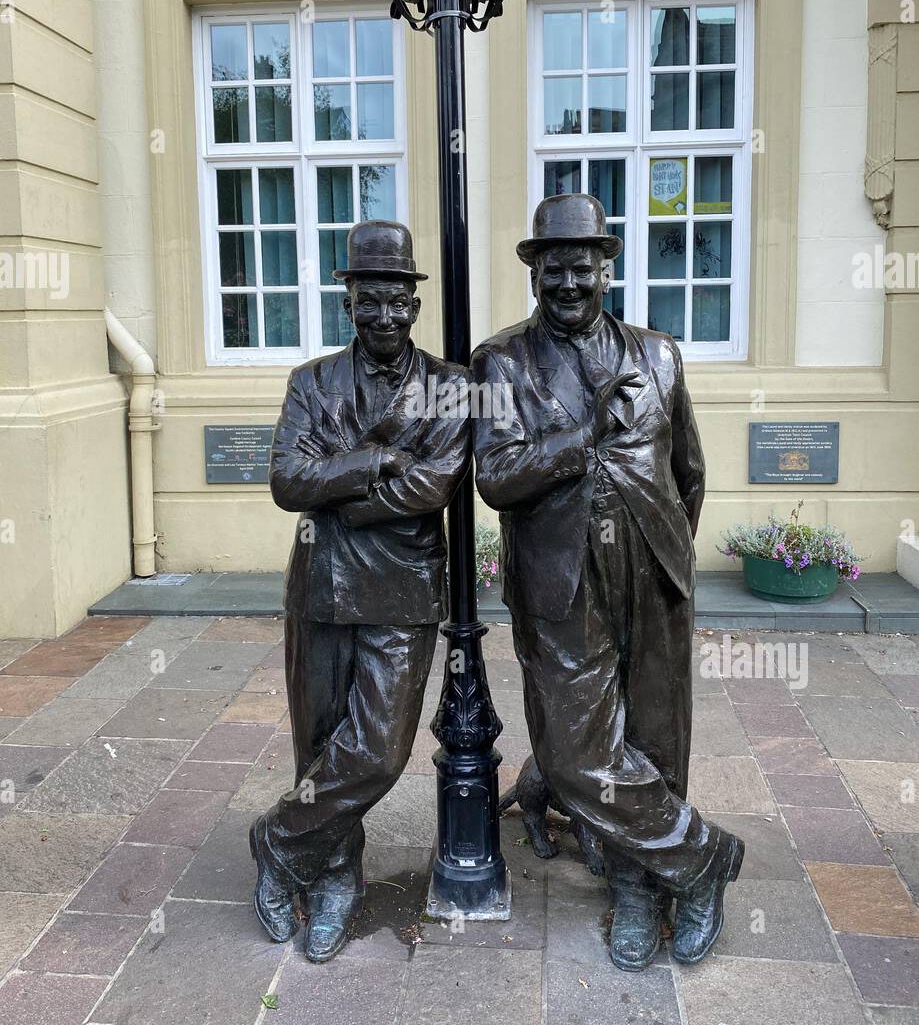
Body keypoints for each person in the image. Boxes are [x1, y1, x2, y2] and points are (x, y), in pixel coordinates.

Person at [470, 192, 743, 968]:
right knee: (574, 753)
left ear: (604, 268)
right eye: (553, 268)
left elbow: (687, 471)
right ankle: (701, 858)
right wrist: (580, 434)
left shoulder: (657, 354)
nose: (567, 283)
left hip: (652, 571)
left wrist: (661, 551)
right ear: (534, 273)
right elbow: (496, 477)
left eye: (581, 268)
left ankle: (638, 885)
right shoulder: (499, 363)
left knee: (656, 737)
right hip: (559, 578)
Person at [250, 220, 470, 962]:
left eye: (396, 302)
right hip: (319, 582)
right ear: (348, 303)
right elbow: (287, 481)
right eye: (368, 301)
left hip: (403, 589)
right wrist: (378, 459)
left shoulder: (450, 386)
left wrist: (341, 483)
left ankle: (278, 841)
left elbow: (435, 483)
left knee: (376, 750)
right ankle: (334, 874)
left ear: (414, 305)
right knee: (320, 744)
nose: (383, 317)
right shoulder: (309, 382)